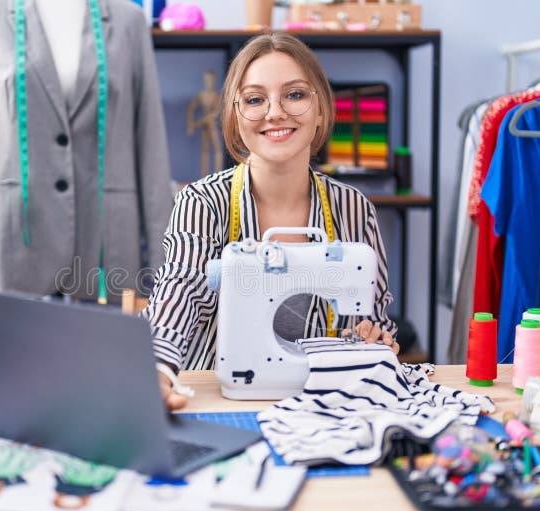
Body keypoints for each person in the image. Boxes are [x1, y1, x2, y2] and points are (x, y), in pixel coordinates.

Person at [143, 33, 399, 410]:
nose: (275, 112)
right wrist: (157, 366)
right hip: (219, 403)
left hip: (321, 404)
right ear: (235, 116)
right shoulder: (202, 202)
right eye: (255, 99)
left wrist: (377, 338)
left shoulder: (354, 209)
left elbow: (372, 317)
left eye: (294, 94)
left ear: (322, 110)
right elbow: (180, 288)